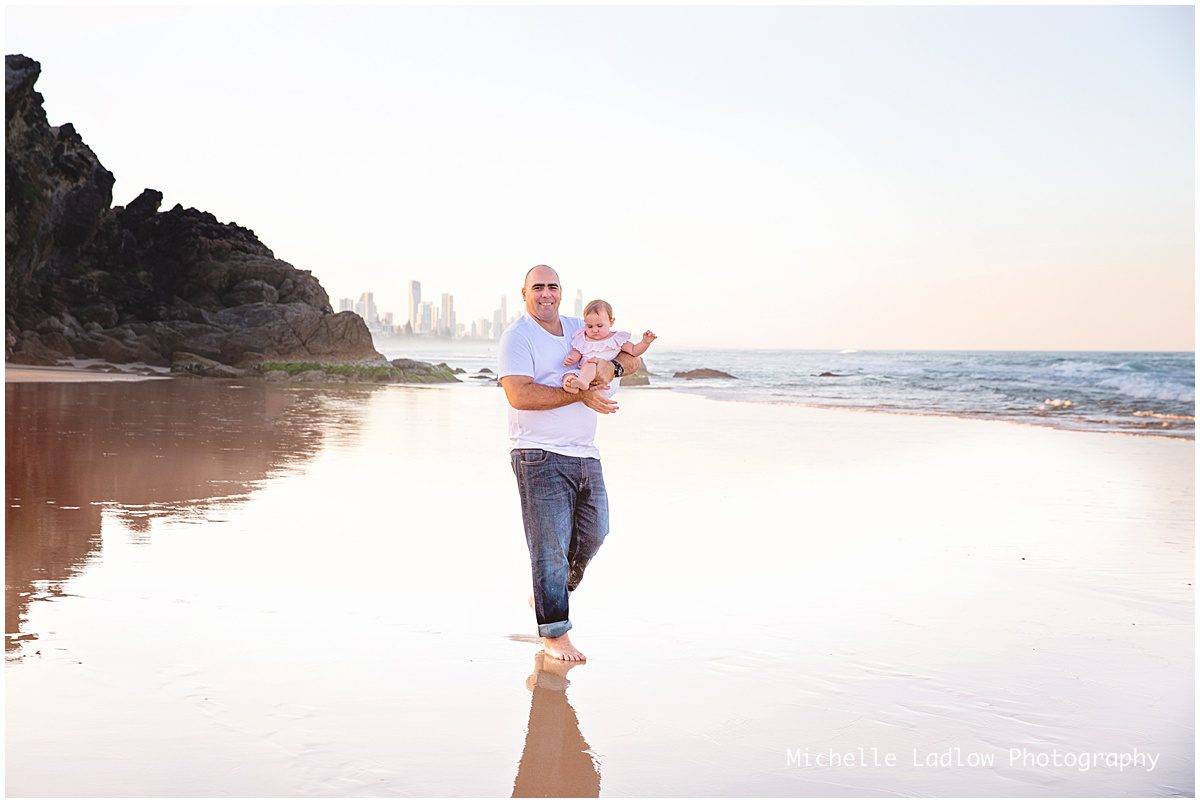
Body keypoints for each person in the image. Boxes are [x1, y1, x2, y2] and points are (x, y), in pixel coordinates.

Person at [498, 265, 642, 662]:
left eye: (553, 287)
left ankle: (548, 592)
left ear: (561, 292)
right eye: (538, 287)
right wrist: (579, 395)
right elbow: (519, 395)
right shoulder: (518, 336)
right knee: (549, 547)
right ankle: (555, 635)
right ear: (524, 292)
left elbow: (632, 361)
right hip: (537, 453)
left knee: (596, 531)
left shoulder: (584, 327)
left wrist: (607, 370)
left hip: (585, 451)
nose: (546, 294)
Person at [561, 298, 656, 393]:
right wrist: (572, 358)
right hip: (583, 373)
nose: (594, 330)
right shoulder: (583, 338)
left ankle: (582, 383)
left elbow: (634, 350)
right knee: (569, 374)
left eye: (599, 326)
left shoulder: (616, 339)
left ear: (611, 322)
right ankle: (571, 385)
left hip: (606, 377)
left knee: (591, 363)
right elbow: (577, 352)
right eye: (589, 326)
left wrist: (645, 342)